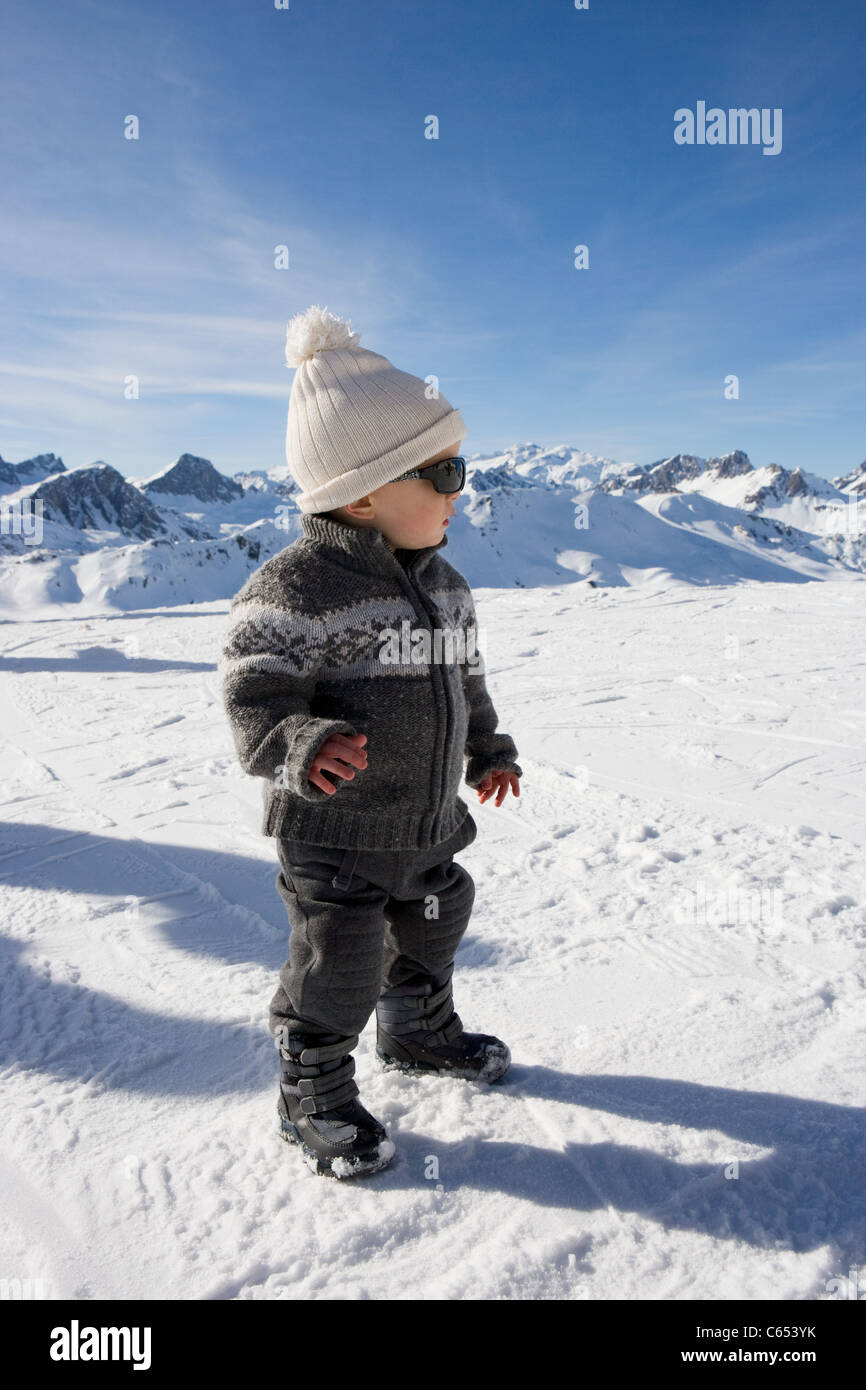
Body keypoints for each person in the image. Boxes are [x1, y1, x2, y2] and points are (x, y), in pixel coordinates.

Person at [219, 305, 522, 1180]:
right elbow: (253, 689)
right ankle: (310, 1089)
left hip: (424, 825)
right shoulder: (295, 587)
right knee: (337, 960)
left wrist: (489, 749)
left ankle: (418, 1029)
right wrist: (299, 742)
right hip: (334, 834)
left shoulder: (447, 586)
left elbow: (463, 682)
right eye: (442, 472)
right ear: (363, 493)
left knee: (437, 919)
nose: (460, 491)